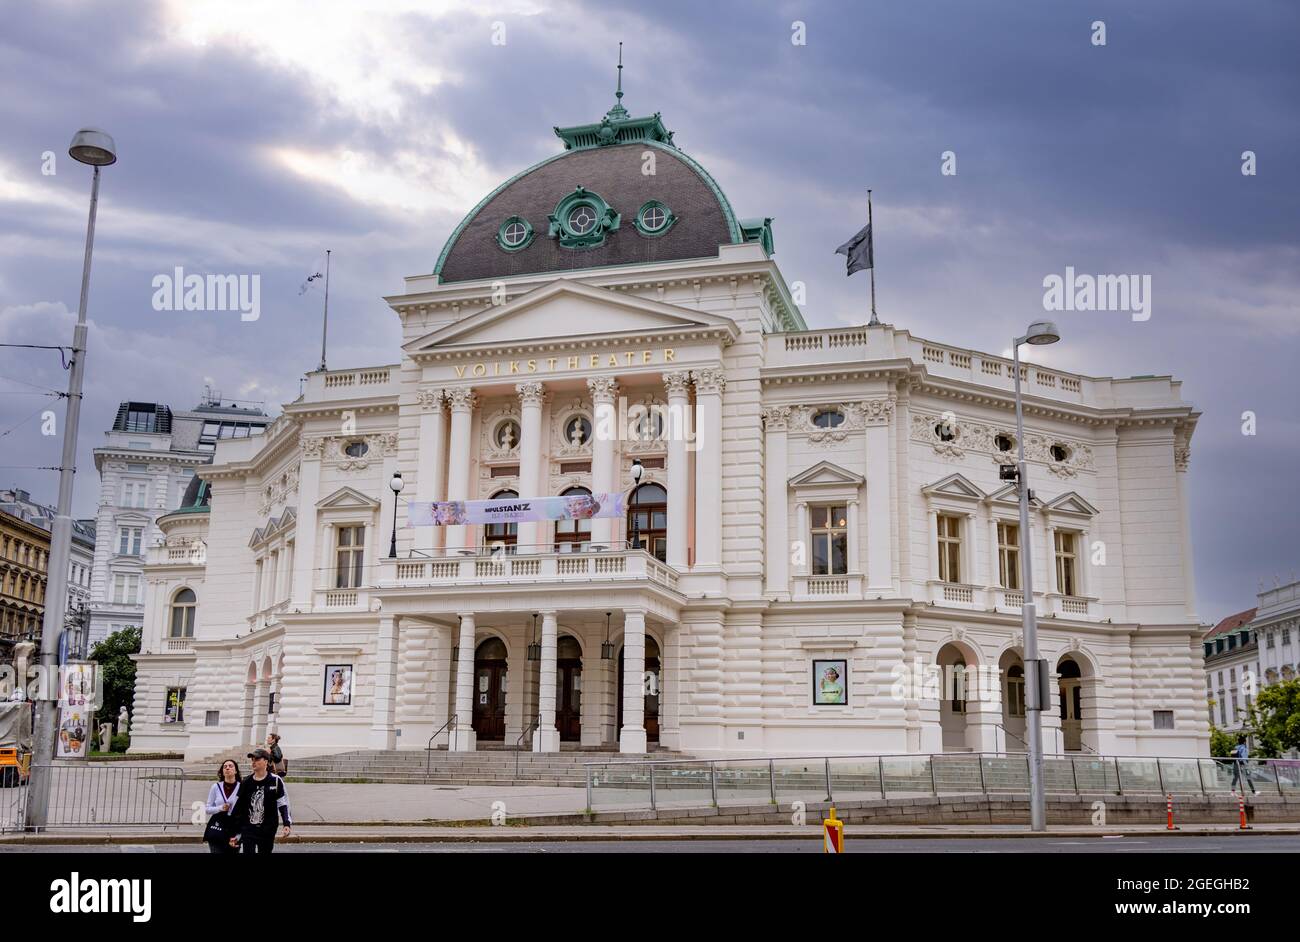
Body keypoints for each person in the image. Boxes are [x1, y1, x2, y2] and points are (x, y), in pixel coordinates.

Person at [228, 748, 292, 854]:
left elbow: (283, 803)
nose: (253, 762)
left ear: (266, 761)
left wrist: (286, 824)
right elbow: (237, 807)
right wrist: (234, 832)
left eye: (257, 759)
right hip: (248, 828)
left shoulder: (275, 781)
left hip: (268, 828)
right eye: (252, 759)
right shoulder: (246, 782)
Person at [204, 760, 242, 854]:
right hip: (218, 826)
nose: (228, 768)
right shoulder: (216, 787)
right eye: (225, 767)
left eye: (230, 766)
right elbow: (207, 809)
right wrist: (220, 808)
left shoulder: (241, 787)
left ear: (236, 770)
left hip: (234, 826)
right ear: (222, 771)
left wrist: (240, 834)